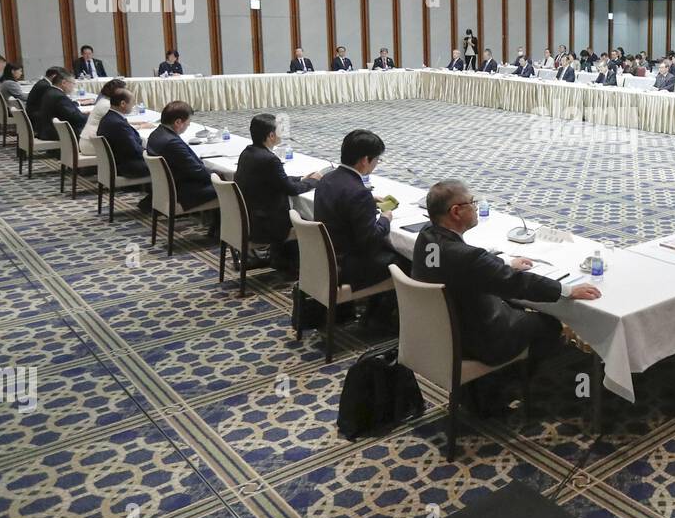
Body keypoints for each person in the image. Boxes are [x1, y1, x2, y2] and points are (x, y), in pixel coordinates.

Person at [411, 179, 600, 371]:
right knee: (549, 322)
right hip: (481, 342)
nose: (475, 207)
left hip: (442, 333)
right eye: (472, 202)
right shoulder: (468, 257)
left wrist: (507, 262)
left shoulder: (427, 234)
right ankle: (522, 382)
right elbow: (517, 283)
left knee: (514, 304)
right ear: (456, 212)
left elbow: (470, 265)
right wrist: (567, 290)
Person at [310, 129, 406, 289]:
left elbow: (342, 203)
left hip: (325, 256)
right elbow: (370, 239)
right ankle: (376, 312)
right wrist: (385, 218)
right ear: (364, 160)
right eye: (377, 159)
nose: (376, 164)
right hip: (347, 264)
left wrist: (369, 199)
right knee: (402, 262)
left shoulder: (327, 178)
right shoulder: (358, 192)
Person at [233, 113, 321, 272]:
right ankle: (297, 264)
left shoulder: (248, 152)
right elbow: (291, 189)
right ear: (271, 135)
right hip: (266, 224)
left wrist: (302, 178)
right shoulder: (269, 160)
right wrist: (314, 181)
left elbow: (277, 180)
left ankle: (282, 258)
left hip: (249, 217)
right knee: (307, 218)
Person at [147, 100, 218, 215]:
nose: (188, 125)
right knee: (231, 190)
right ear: (178, 122)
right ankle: (218, 228)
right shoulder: (172, 143)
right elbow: (196, 171)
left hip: (167, 188)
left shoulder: (156, 133)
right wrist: (216, 177)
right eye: (188, 123)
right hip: (182, 191)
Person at [96, 88, 151, 181]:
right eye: (132, 103)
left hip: (119, 162)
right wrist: (152, 153)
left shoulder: (109, 117)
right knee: (166, 164)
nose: (133, 106)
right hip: (126, 167)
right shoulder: (118, 123)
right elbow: (133, 150)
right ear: (123, 104)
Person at [31, 68, 87, 141]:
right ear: (64, 83)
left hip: (47, 130)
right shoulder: (60, 97)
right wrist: (90, 117)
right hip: (56, 133)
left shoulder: (50, 91)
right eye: (73, 84)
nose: (74, 87)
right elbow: (76, 118)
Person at [79, 78, 126, 156]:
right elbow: (120, 124)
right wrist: (140, 126)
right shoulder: (107, 105)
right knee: (128, 148)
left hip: (88, 141)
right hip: (91, 144)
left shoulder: (103, 101)